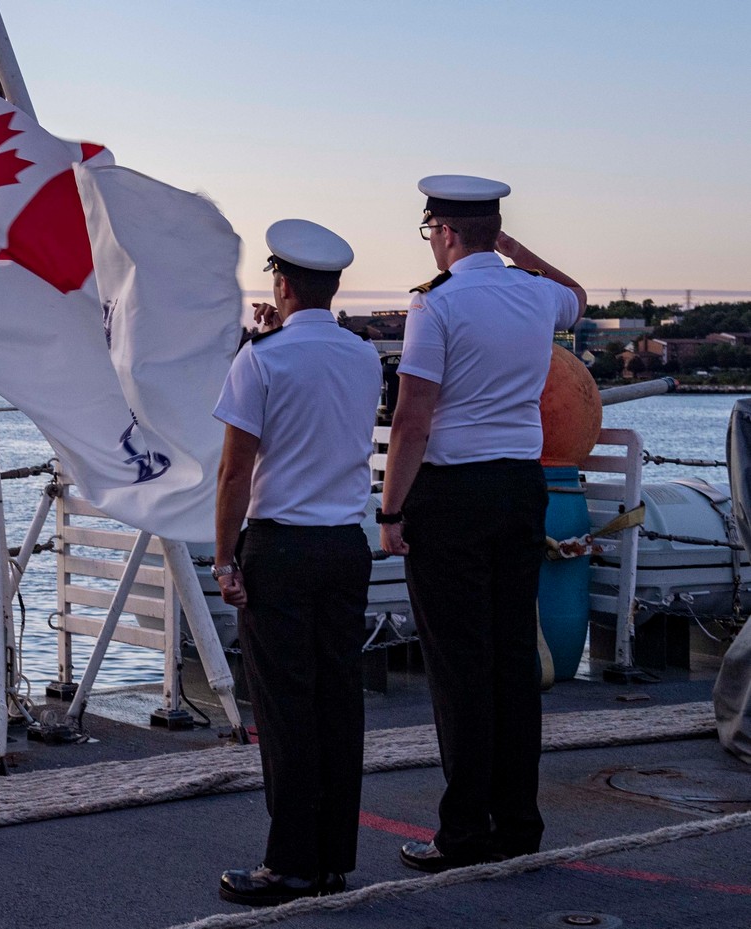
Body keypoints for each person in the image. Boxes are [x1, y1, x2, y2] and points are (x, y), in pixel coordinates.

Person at [379, 175, 586, 871]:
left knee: (459, 666)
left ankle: (464, 829)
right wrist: (509, 244)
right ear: (493, 229)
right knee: (511, 661)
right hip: (520, 489)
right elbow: (577, 295)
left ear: (441, 231)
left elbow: (411, 419)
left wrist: (390, 509)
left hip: (451, 496)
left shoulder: (432, 305)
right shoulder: (536, 293)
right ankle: (519, 822)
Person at [213, 219, 382, 905]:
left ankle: (289, 863)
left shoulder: (258, 361)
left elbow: (233, 473)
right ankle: (333, 857)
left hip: (279, 547)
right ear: (332, 286)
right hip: (345, 545)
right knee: (338, 702)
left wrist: (226, 558)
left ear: (280, 283)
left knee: (285, 708)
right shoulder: (365, 357)